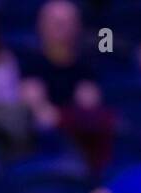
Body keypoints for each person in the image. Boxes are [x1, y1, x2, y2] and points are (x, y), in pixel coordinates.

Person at [19, 0, 115, 174]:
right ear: (41, 26)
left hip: (79, 146)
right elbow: (34, 112)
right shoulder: (29, 66)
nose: (60, 28)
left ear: (77, 27)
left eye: (66, 23)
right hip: (34, 146)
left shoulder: (88, 67)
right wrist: (67, 116)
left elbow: (88, 112)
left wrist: (60, 117)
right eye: (54, 22)